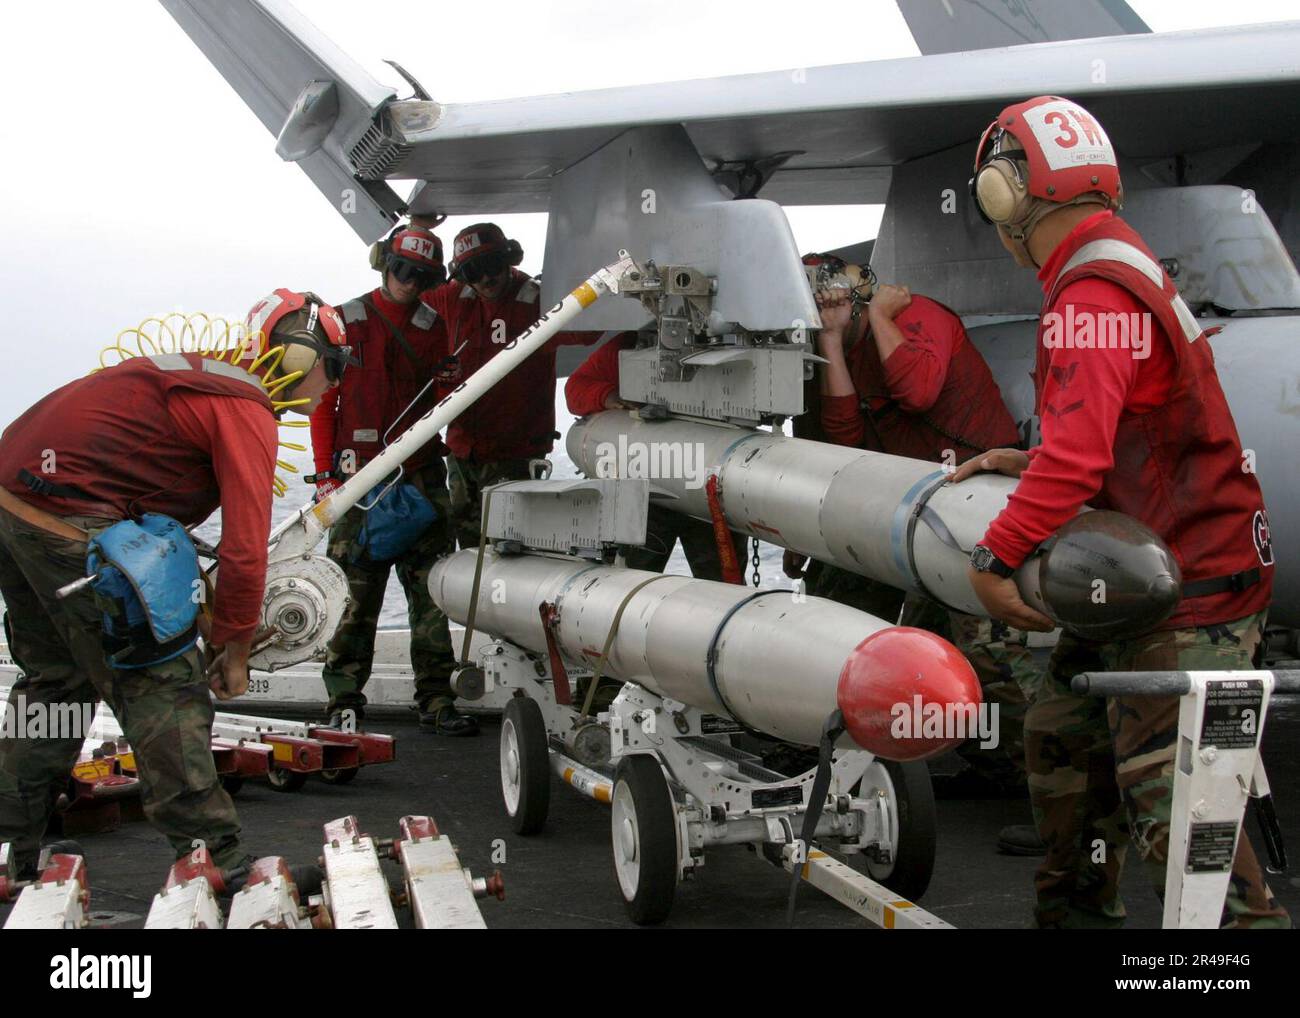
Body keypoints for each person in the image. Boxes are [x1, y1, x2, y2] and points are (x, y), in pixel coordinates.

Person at [954, 94, 1287, 928]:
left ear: (1008, 194)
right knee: (1066, 758)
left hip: (1185, 590)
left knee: (1182, 831)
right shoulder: (1111, 263)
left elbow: (1079, 462)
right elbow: (1127, 430)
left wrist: (993, 560)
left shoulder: (1090, 292)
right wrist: (1029, 461)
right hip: (1143, 578)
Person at [0, 289, 347, 877]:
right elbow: (243, 549)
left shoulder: (202, 374)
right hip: (69, 524)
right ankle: (216, 860)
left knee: (55, 686)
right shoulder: (244, 405)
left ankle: (7, 847)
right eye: (331, 367)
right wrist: (234, 648)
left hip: (15, 512)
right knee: (163, 685)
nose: (332, 385)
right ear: (296, 355)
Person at [792, 254, 1037, 802]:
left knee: (986, 647)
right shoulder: (836, 343)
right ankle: (990, 765)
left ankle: (1040, 788)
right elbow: (845, 437)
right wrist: (831, 344)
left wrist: (880, 318)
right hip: (917, 508)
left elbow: (920, 392)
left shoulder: (919, 316)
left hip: (976, 501)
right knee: (923, 644)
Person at [310, 227, 477, 737]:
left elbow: (444, 396)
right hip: (357, 483)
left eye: (421, 275)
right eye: (402, 270)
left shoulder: (435, 327)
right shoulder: (343, 321)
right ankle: (343, 699)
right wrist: (323, 476)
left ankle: (436, 698)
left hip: (423, 479)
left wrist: (449, 379)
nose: (408, 282)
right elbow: (322, 401)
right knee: (354, 598)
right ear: (384, 265)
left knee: (430, 594)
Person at [426, 223, 596, 548]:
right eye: (474, 273)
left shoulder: (537, 303)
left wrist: (578, 286)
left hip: (514, 458)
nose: (486, 280)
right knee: (468, 558)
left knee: (512, 554)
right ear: (463, 277)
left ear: (509, 259)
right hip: (462, 454)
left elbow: (588, 332)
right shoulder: (452, 299)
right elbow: (404, 296)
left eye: (492, 267)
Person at [564, 331, 748, 580]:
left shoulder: (732, 346)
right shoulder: (630, 345)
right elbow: (576, 389)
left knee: (722, 585)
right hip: (652, 488)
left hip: (707, 485)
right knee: (630, 582)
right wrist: (610, 397)